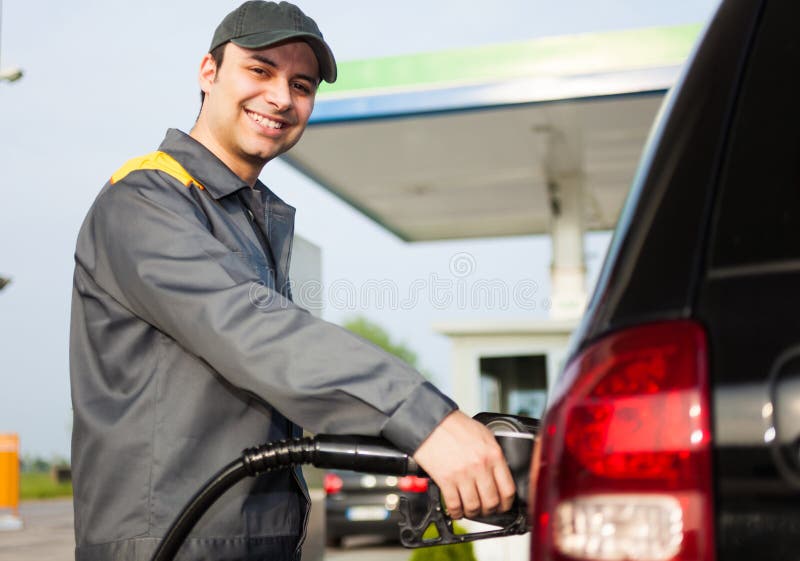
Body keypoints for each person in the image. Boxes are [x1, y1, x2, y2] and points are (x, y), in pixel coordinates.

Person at [69, 2, 515, 560]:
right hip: (171, 544)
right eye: (260, 70)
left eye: (300, 84)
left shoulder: (246, 215)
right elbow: (254, 331)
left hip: (248, 541)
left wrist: (435, 447)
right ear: (208, 73)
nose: (281, 97)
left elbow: (283, 389)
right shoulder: (144, 201)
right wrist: (426, 420)